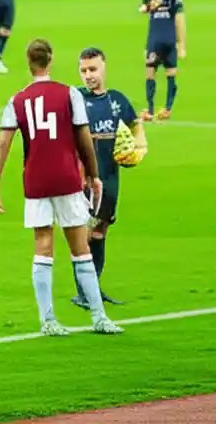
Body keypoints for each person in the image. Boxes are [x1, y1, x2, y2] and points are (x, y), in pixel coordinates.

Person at [0, 39, 123, 336]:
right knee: (80, 249)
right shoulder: (69, 94)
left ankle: (48, 319)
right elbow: (83, 136)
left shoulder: (17, 100)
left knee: (43, 248)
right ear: (51, 60)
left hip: (35, 181)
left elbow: (3, 145)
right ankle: (99, 317)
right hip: (66, 178)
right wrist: (93, 173)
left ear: (29, 63)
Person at [71, 48, 148, 309]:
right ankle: (83, 293)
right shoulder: (76, 100)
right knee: (84, 234)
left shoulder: (116, 100)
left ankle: (95, 287)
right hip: (85, 181)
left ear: (103, 68)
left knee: (101, 231)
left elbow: (135, 123)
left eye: (92, 69)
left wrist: (140, 146)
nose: (88, 76)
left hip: (111, 178)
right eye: (84, 71)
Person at [140, 0, 187, 120]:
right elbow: (143, 8)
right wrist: (151, 0)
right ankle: (151, 110)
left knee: (171, 74)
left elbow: (180, 20)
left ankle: (167, 108)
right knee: (149, 74)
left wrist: (181, 44)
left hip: (168, 40)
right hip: (153, 41)